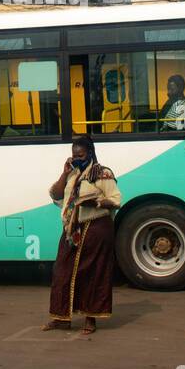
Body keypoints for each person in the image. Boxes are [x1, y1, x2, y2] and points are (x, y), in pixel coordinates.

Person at [43, 135, 121, 334]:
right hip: (72, 229)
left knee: (92, 274)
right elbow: (56, 195)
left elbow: (115, 200)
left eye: (81, 154)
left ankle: (90, 320)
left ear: (90, 153)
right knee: (61, 272)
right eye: (74, 155)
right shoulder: (72, 174)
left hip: (95, 227)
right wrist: (64, 174)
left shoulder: (102, 173)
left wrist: (94, 202)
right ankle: (61, 317)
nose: (77, 158)